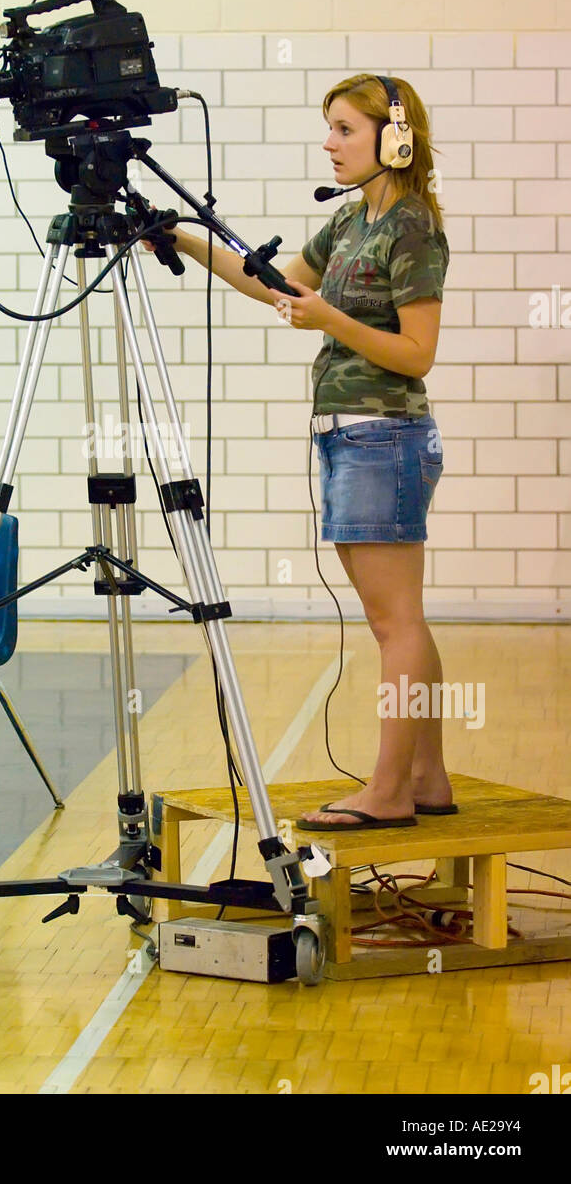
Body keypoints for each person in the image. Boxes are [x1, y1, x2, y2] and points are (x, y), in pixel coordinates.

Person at [142, 73, 453, 831]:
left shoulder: (410, 226)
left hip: (383, 434)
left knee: (394, 623)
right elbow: (275, 284)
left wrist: (329, 320)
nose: (330, 143)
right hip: (355, 435)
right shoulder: (352, 223)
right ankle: (428, 779)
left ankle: (386, 795)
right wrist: (180, 237)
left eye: (344, 129)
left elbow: (417, 354)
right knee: (402, 620)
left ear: (394, 139)